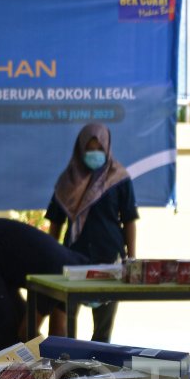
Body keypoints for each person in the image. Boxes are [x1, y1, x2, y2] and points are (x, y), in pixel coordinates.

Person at [45, 123, 138, 343]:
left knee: (103, 330)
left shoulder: (119, 179)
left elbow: (129, 220)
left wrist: (132, 258)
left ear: (107, 149)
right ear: (79, 149)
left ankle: (99, 371)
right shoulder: (66, 181)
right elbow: (56, 222)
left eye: (99, 149)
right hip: (72, 258)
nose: (94, 154)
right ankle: (68, 370)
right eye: (89, 149)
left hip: (109, 259)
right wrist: (49, 254)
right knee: (66, 327)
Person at [0, 218, 94, 353]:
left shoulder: (74, 273)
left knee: (17, 322)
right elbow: (27, 333)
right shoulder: (59, 276)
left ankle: (10, 375)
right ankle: (0, 378)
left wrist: (62, 363)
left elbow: (59, 334)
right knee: (6, 327)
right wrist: (48, 366)